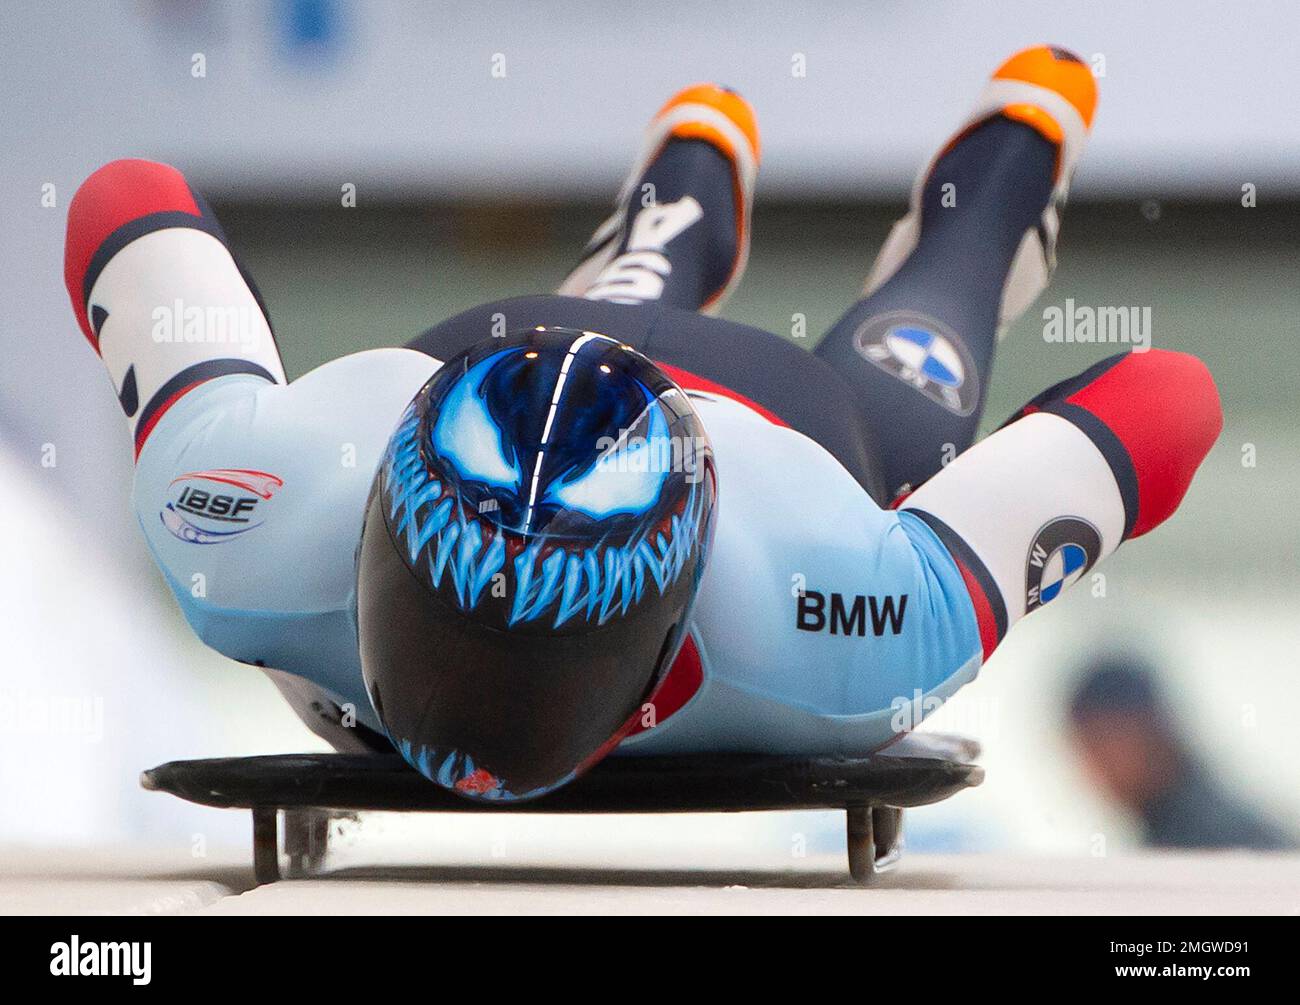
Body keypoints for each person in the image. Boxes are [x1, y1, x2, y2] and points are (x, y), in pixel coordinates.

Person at [63, 46, 1222, 802]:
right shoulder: (239, 516)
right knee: (918, 361)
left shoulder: (845, 613)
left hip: (774, 434)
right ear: (368, 535)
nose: (481, 750)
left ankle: (1001, 133)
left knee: (946, 298)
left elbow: (124, 199)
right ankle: (673, 204)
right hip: (561, 378)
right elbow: (1169, 402)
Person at [1068, 657, 1294, 850]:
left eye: (1103, 742)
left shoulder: (1208, 839)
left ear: (1150, 728)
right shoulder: (1175, 826)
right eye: (1084, 750)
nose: (1095, 768)